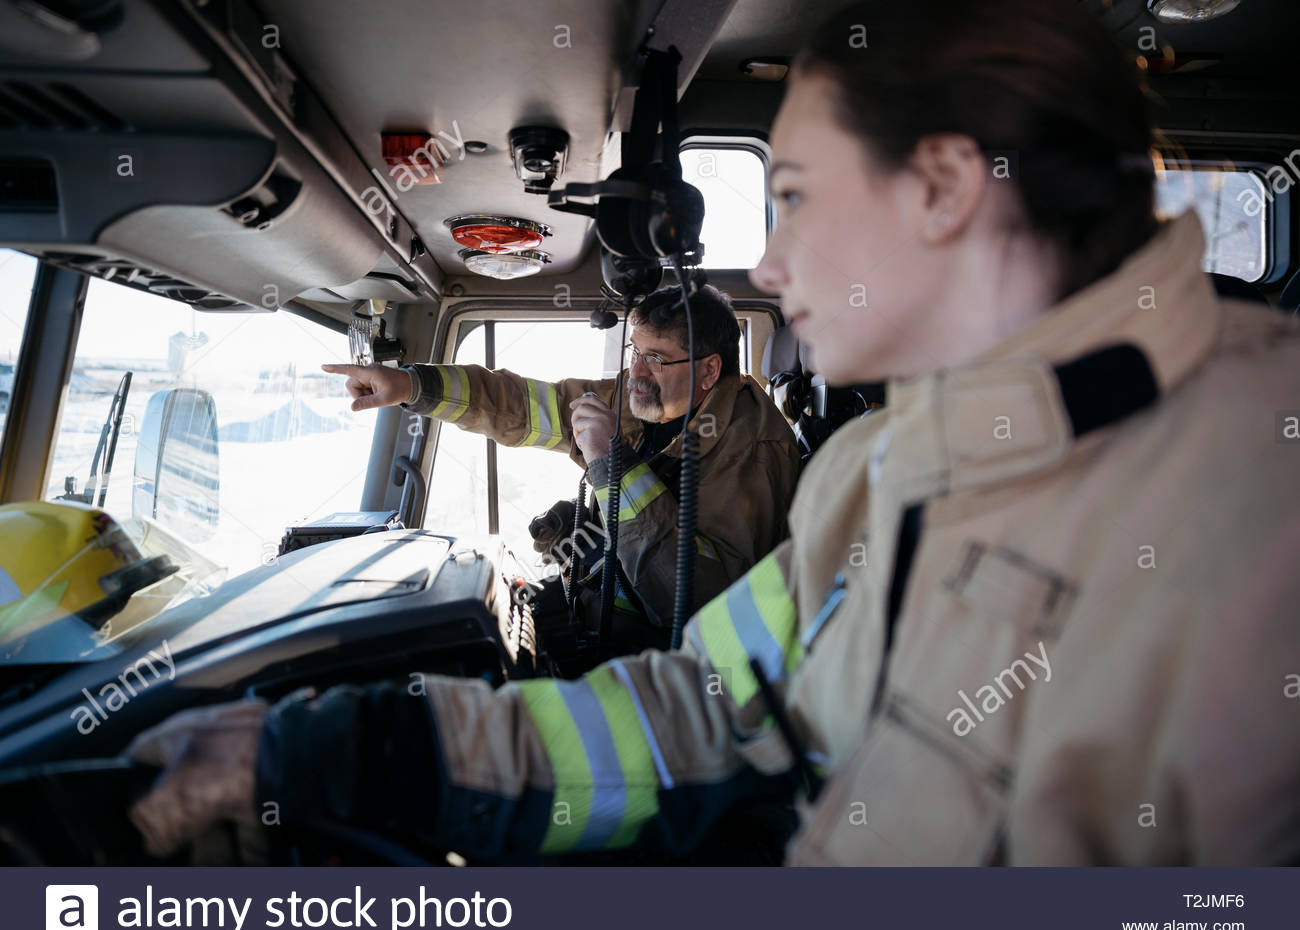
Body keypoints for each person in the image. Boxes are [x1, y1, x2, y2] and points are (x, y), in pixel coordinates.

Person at [128, 0, 1300, 864]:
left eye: (792, 197)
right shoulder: (877, 470)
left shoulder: (1263, 486)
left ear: (943, 188)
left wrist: (608, 474)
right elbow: (705, 701)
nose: (774, 264)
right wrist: (347, 752)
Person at [323, 283, 800, 646]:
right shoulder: (648, 397)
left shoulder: (753, 449)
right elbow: (520, 405)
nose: (634, 373)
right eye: (635, 351)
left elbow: (701, 598)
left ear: (709, 370)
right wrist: (412, 387)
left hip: (668, 657)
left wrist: (611, 464)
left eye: (655, 358)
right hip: (601, 609)